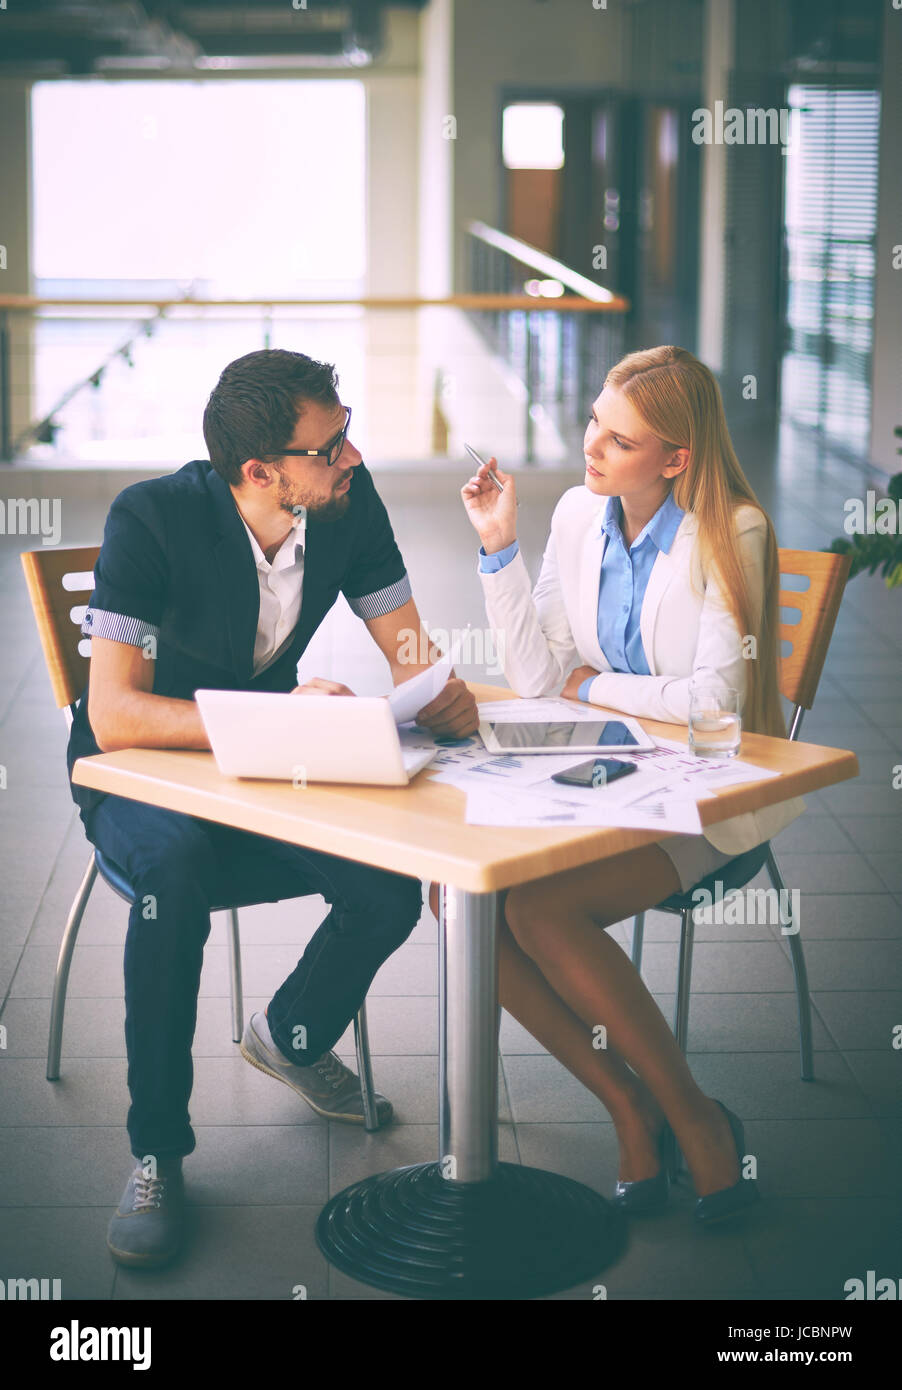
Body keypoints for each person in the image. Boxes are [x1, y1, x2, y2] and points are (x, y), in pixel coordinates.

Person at [67, 348, 478, 1267]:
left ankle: (291, 1035)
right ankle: (158, 1154)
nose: (355, 457)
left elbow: (411, 648)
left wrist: (439, 691)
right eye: (331, 446)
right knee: (172, 879)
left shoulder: (347, 507)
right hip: (147, 772)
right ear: (260, 472)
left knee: (387, 882)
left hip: (271, 763)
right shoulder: (152, 516)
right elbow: (116, 714)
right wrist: (270, 715)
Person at [453, 344, 803, 1224]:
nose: (592, 448)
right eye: (595, 425)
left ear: (677, 459)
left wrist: (595, 687)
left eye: (620, 439)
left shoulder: (735, 532)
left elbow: (715, 707)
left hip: (708, 794)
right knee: (464, 900)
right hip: (606, 774)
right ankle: (628, 1105)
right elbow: (537, 676)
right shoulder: (580, 514)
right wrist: (499, 547)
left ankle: (692, 1120)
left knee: (535, 909)